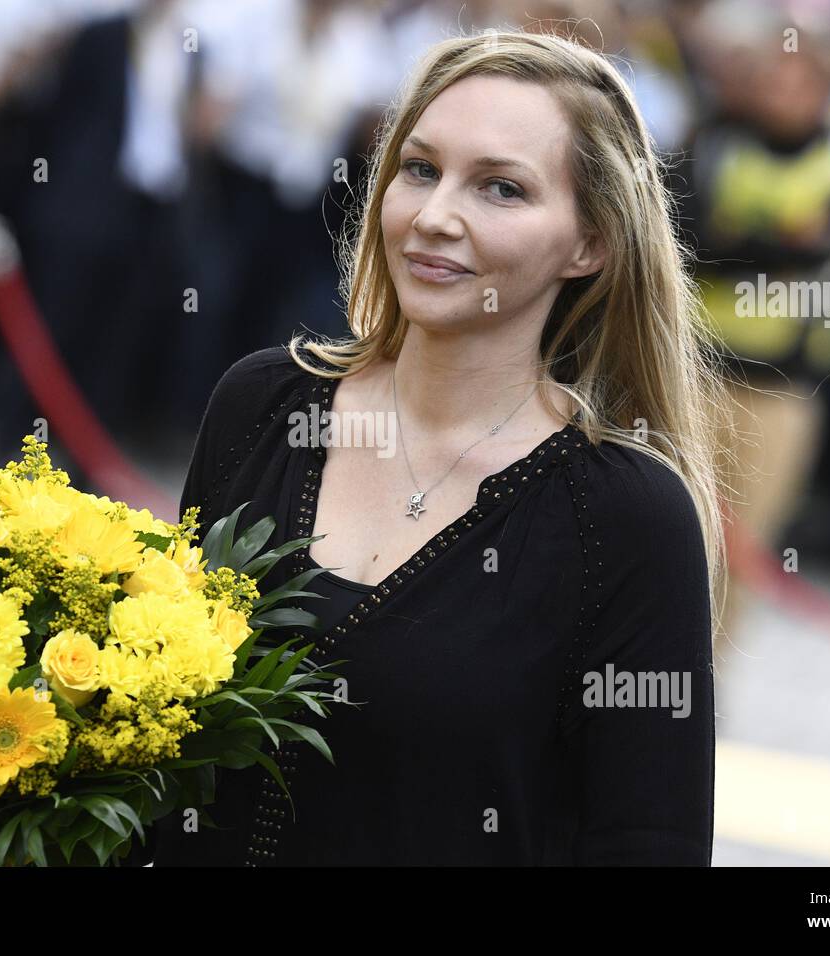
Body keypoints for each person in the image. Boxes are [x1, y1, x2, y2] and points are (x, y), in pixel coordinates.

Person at [149, 29, 725, 866]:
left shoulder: (627, 513)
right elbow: (158, 735)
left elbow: (648, 840)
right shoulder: (261, 404)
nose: (435, 216)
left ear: (590, 243)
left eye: (500, 188)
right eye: (420, 169)